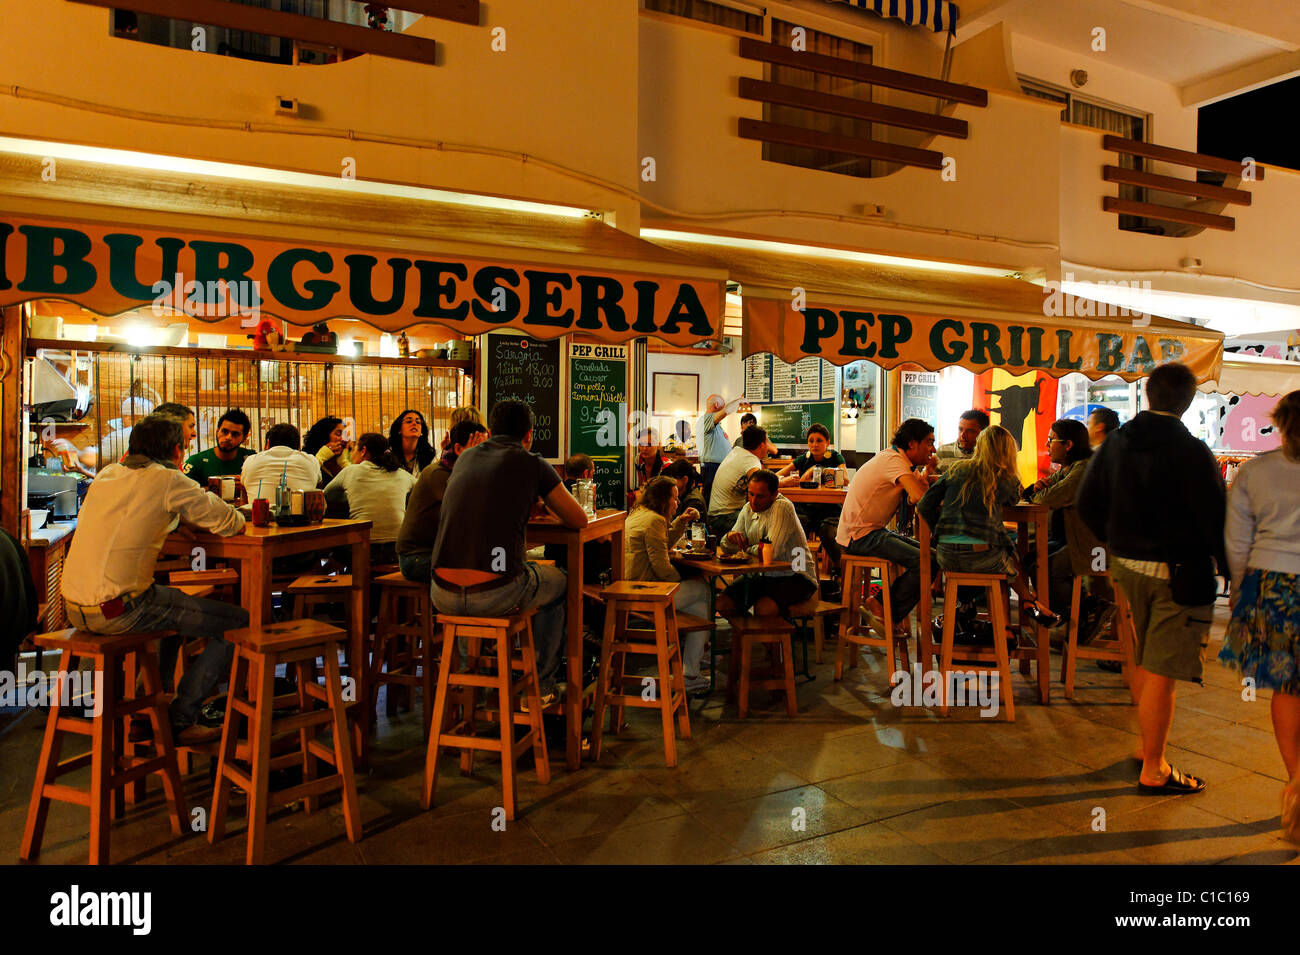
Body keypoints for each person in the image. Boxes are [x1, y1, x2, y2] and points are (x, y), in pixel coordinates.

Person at [1078, 362, 1227, 796]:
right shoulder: (1192, 452)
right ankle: (1155, 767)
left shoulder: (1117, 442)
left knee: (1146, 656)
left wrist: (1117, 539)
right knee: (1162, 669)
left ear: (1148, 396)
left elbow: (1088, 501)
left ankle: (1148, 749)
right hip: (1173, 571)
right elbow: (1213, 520)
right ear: (1187, 400)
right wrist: (1228, 571)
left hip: (1127, 564)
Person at [60, 413, 248, 744]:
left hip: (73, 608)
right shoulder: (168, 481)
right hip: (119, 611)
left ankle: (149, 713)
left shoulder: (107, 474)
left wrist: (175, 518)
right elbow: (231, 523)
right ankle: (179, 718)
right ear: (177, 451)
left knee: (174, 611)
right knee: (239, 623)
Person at [430, 399, 588, 706]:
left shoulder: (463, 460)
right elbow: (578, 519)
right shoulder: (533, 463)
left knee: (493, 574)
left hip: (441, 592)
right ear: (529, 435)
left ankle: (470, 689)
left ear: (489, 431)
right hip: (493, 594)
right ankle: (541, 688)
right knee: (560, 582)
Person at [1218, 390, 1300, 838]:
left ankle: (1296, 780)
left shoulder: (1256, 471)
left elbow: (1236, 540)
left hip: (1272, 584)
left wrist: (1236, 588)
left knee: (1286, 687)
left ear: (1281, 424)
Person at [919, 425, 1061, 643]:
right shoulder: (1005, 477)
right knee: (1003, 562)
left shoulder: (957, 469)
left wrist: (941, 530)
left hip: (946, 556)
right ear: (1007, 451)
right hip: (982, 556)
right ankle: (1021, 609)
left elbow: (925, 505)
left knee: (1002, 553)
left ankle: (1006, 612)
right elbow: (1013, 501)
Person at [836, 418, 938, 634]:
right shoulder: (893, 461)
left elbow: (912, 495)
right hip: (859, 536)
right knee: (927, 562)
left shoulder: (896, 459)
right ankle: (883, 607)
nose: (933, 448)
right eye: (929, 442)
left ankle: (883, 606)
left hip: (870, 531)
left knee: (933, 557)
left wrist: (927, 470)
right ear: (912, 443)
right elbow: (918, 496)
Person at [1022, 418, 1117, 643]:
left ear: (1069, 445)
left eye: (1051, 440)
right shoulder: (1069, 468)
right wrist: (1034, 491)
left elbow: (1049, 498)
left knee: (1046, 567)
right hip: (1075, 541)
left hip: (1096, 548)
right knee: (1029, 558)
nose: (1047, 445)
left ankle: (1083, 610)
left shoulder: (1083, 469)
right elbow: (1034, 492)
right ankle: (1078, 611)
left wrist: (1037, 493)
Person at [625, 475, 710, 692]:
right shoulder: (654, 520)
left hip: (630, 588)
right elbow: (661, 567)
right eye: (674, 498)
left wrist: (681, 521)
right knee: (702, 588)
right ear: (663, 499)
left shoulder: (638, 514)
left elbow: (660, 544)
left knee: (699, 608)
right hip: (646, 593)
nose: (678, 501)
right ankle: (698, 660)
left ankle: (691, 673)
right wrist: (681, 582)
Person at [715, 470, 819, 617]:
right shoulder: (748, 509)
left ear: (774, 494)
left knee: (764, 607)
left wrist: (746, 548)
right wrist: (730, 537)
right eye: (750, 494)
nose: (753, 500)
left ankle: (772, 638)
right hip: (762, 575)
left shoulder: (782, 507)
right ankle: (746, 637)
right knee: (723, 603)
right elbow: (728, 547)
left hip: (797, 575)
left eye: (760, 496)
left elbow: (771, 552)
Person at [397, 420, 488, 583]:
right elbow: (470, 511)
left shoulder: (462, 473)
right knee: (488, 568)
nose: (486, 454)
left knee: (498, 562)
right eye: (479, 447)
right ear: (459, 449)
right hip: (417, 558)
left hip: (440, 553)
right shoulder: (439, 474)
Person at [323, 432, 417, 565]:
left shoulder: (351, 471)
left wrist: (351, 494)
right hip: (397, 552)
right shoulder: (401, 474)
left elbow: (327, 496)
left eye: (355, 449)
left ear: (364, 451)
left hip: (362, 551)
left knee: (336, 550)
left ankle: (352, 582)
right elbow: (421, 491)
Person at [707, 425, 769, 539]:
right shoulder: (751, 460)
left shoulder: (737, 451)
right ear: (761, 445)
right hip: (723, 518)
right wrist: (784, 482)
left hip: (714, 515)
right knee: (766, 523)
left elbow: (763, 478)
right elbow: (762, 485)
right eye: (767, 441)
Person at [241, 422, 322, 496]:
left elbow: (244, 491)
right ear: (298, 446)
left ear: (268, 444)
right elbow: (318, 487)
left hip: (259, 511)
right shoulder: (311, 460)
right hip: (301, 511)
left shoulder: (251, 460)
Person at [183, 409, 254, 484]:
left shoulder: (252, 459)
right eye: (225, 431)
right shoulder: (195, 462)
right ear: (217, 431)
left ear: (244, 438)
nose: (228, 437)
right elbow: (180, 492)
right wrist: (216, 488)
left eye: (235, 434)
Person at [697, 394, 742, 500]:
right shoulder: (705, 420)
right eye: (723, 404)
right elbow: (726, 411)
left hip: (718, 467)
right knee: (710, 497)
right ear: (716, 405)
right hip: (712, 467)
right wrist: (739, 400)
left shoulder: (715, 425)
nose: (724, 407)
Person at [303, 416, 352, 484]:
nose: (343, 439)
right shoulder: (306, 458)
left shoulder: (349, 458)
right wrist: (321, 457)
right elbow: (306, 479)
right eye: (338, 434)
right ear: (324, 437)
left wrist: (343, 462)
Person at [389, 408, 437, 478]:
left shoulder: (430, 455)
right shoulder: (389, 454)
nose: (414, 423)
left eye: (418, 422)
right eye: (409, 421)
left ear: (421, 431)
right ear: (399, 430)